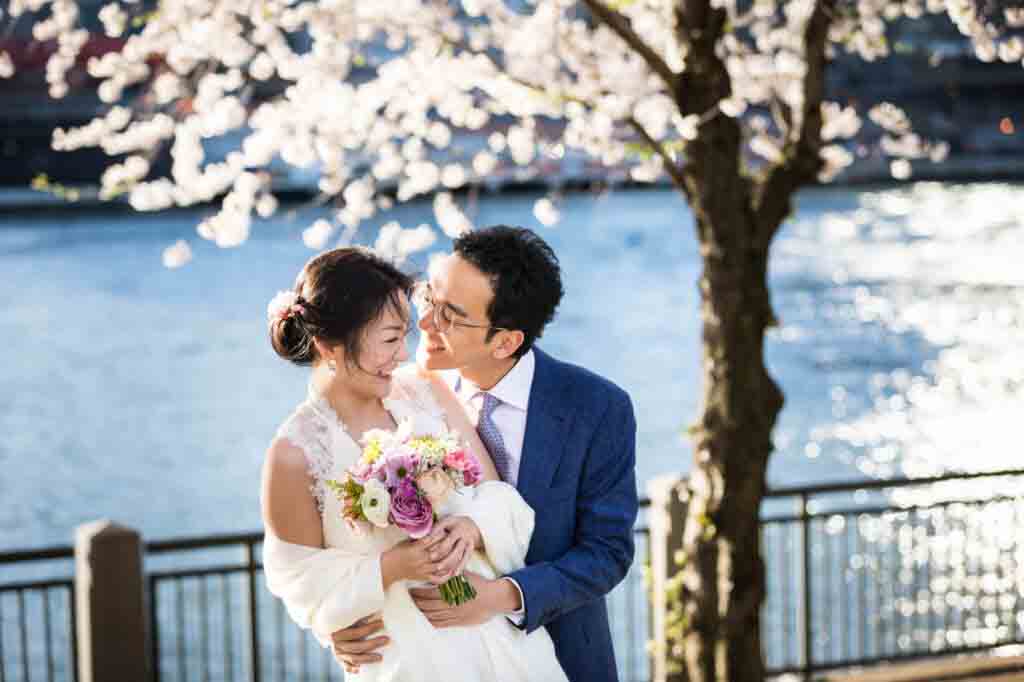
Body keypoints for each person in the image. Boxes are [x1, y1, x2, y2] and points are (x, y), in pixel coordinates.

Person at [331, 226, 639, 682]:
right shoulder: (398, 393)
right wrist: (342, 619)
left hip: (565, 658)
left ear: (505, 341)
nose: (426, 323)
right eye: (428, 297)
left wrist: (502, 596)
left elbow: (607, 551)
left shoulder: (596, 408)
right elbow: (356, 529)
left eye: (450, 316)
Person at [260, 247, 569, 681]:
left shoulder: (424, 391)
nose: (402, 355)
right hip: (406, 659)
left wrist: (471, 527)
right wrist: (391, 569)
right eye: (389, 339)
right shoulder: (294, 454)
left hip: (500, 646)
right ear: (330, 345)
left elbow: (501, 498)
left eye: (404, 337)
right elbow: (300, 581)